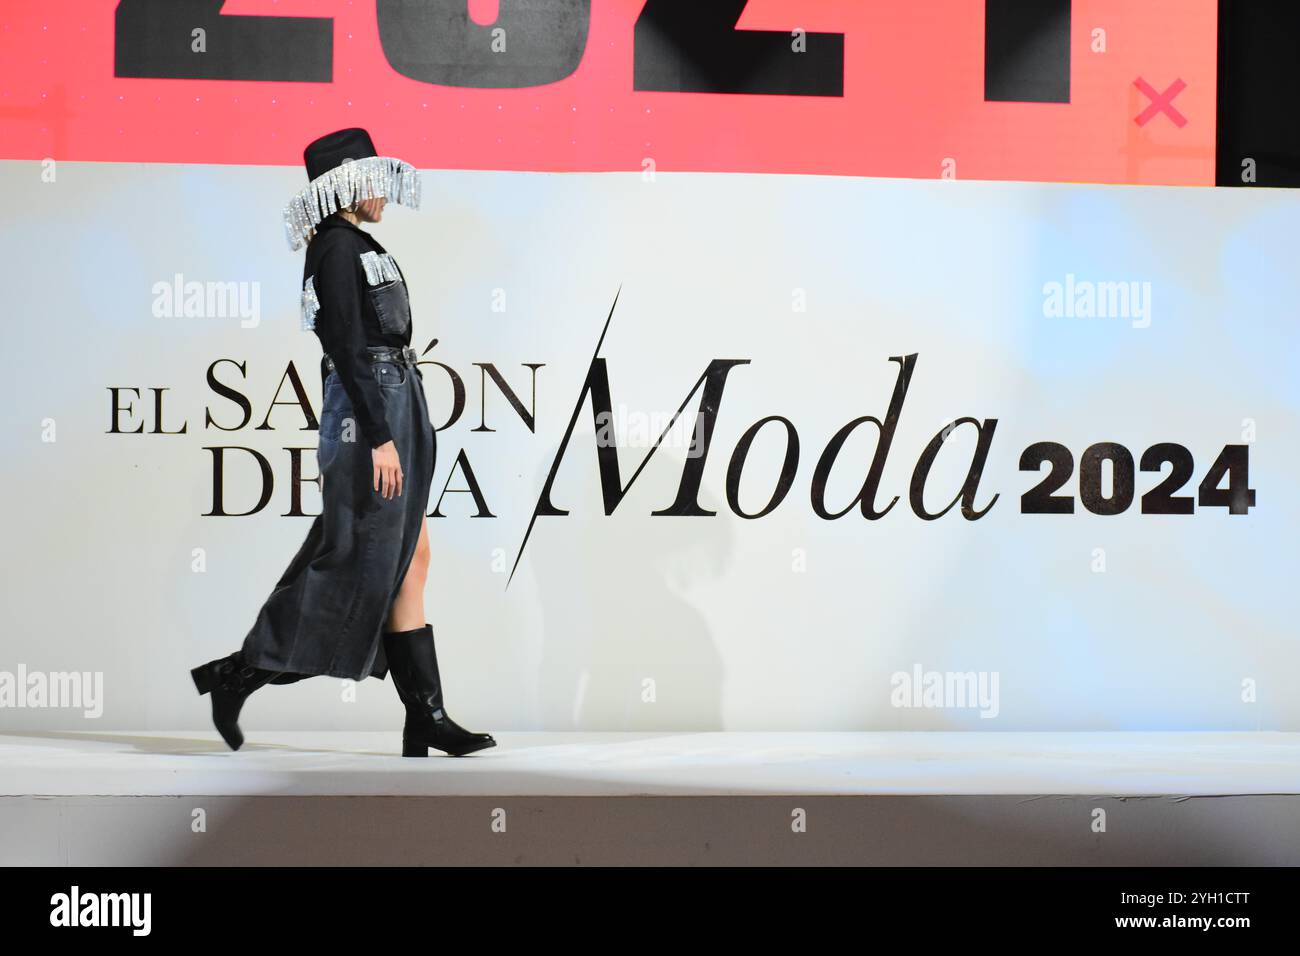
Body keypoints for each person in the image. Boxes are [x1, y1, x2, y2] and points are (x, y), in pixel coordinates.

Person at [190, 128, 495, 758]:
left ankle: (426, 719)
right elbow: (345, 348)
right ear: (348, 185)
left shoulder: (360, 244)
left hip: (395, 395)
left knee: (410, 558)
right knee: (359, 559)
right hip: (369, 410)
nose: (385, 192)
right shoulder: (333, 247)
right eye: (375, 180)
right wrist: (379, 436)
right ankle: (239, 672)